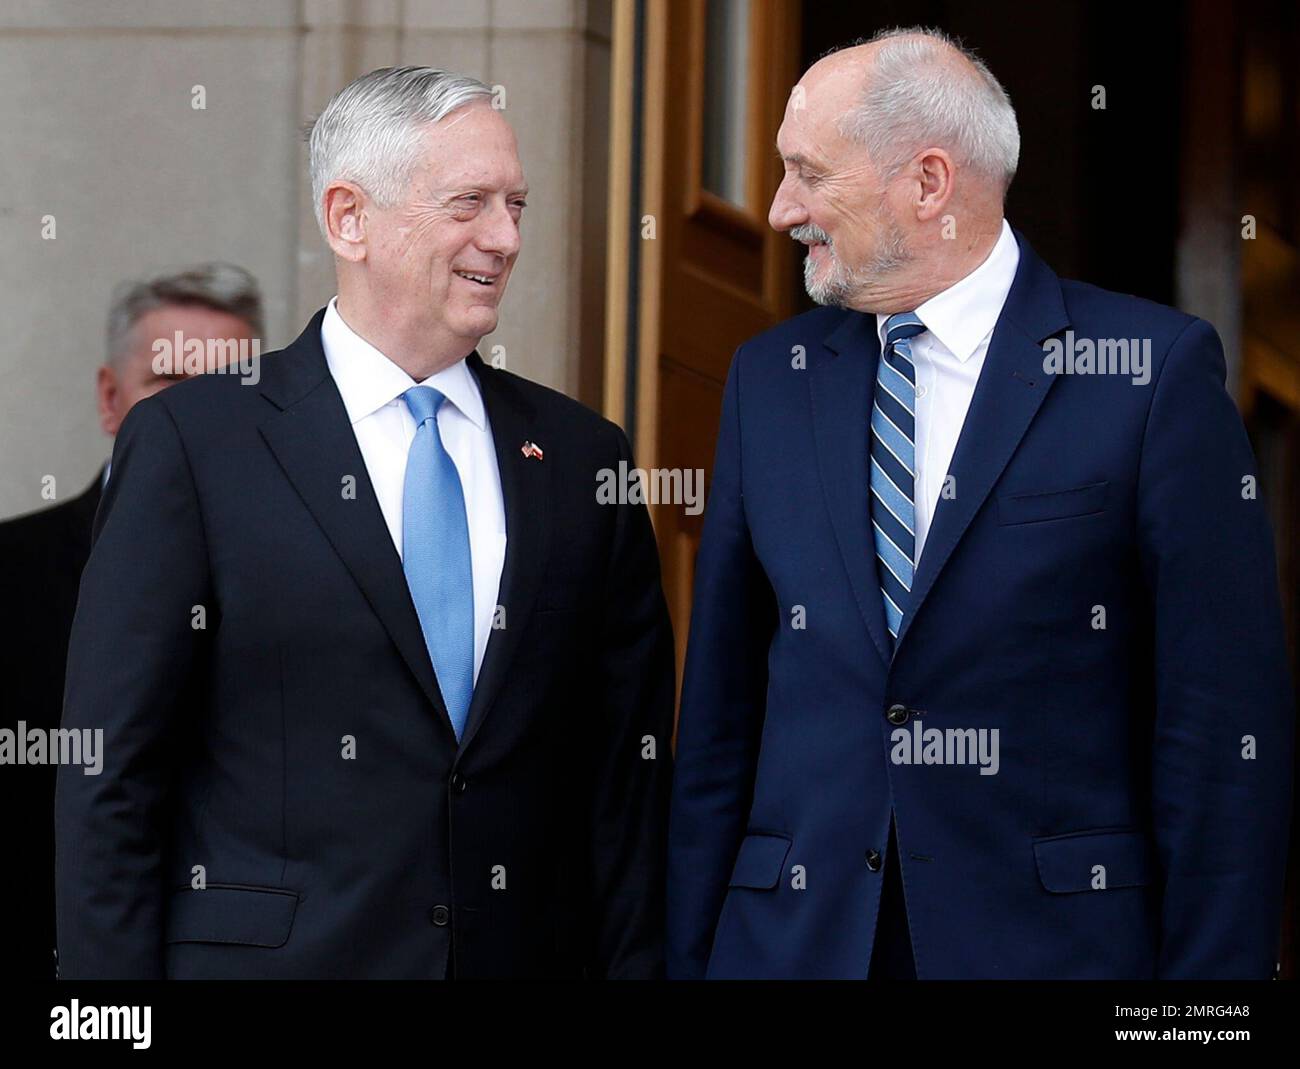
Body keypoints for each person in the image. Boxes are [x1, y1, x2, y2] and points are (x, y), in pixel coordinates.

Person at [667, 27, 1292, 979]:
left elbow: (1219, 739)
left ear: (928, 183)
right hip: (791, 948)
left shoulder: (1147, 376)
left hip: (1052, 951)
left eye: (808, 173)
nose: (781, 207)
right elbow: (719, 718)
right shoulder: (770, 380)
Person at [55, 66, 674, 979]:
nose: (504, 238)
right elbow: (111, 775)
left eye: (516, 204)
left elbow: (627, 782)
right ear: (349, 217)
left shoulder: (583, 459)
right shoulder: (198, 441)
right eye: (469, 203)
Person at [0, 263, 263, 979]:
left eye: (227, 387)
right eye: (169, 383)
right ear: (112, 398)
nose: (197, 414)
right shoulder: (10, 573)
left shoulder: (335, 576)